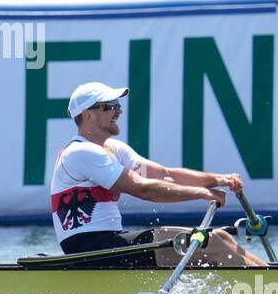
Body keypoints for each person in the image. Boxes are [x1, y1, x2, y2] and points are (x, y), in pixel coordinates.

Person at [50, 82, 266, 267]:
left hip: (112, 242)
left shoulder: (114, 149)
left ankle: (272, 279)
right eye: (110, 106)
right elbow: (144, 189)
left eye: (118, 105)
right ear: (88, 115)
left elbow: (164, 175)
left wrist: (219, 180)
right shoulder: (81, 152)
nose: (119, 111)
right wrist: (201, 193)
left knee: (220, 237)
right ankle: (273, 291)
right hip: (89, 251)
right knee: (212, 244)